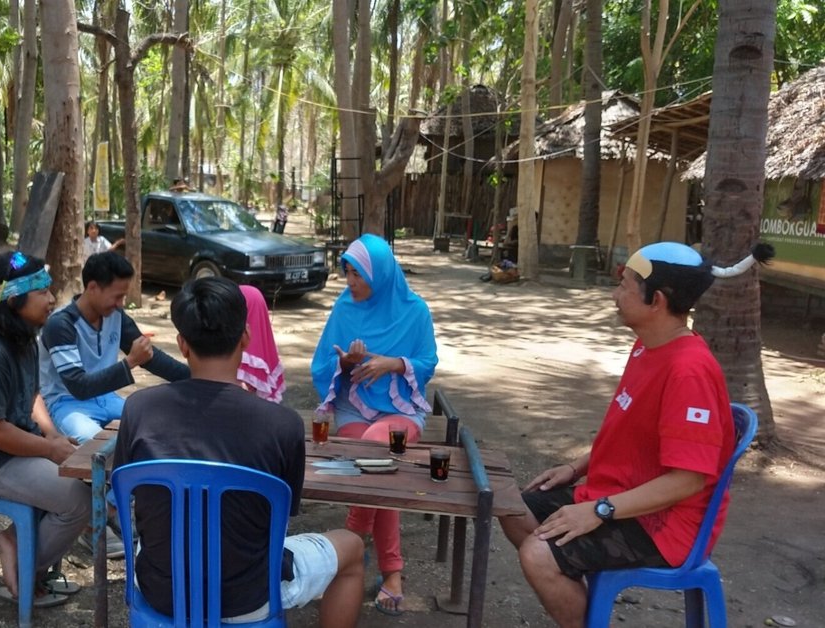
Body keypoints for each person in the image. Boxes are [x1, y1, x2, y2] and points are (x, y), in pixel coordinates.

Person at [498, 241, 773, 628]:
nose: (615, 294)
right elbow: (632, 434)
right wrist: (576, 468)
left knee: (537, 555)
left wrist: (598, 510)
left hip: (665, 526)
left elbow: (689, 479)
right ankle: (582, 603)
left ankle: (574, 600)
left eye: (625, 285)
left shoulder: (688, 371)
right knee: (513, 508)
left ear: (655, 300)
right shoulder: (648, 345)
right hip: (617, 494)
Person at [115, 277, 365, 627]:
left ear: (182, 344)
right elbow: (284, 514)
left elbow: (123, 493)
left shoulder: (139, 409)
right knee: (351, 547)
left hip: (161, 591)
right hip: (250, 598)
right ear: (245, 337)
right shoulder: (282, 424)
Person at [0, 251, 90, 608]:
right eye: (42, 291)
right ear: (14, 298)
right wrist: (48, 449)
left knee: (86, 474)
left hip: (10, 449)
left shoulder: (23, 337)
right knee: (77, 499)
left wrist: (52, 435)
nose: (52, 299)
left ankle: (17, 541)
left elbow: (33, 394)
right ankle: (26, 566)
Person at [310, 233, 438, 616]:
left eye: (357, 274)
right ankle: (392, 572)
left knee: (371, 452)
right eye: (347, 272)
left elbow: (428, 361)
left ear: (379, 274)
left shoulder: (415, 311)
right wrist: (347, 362)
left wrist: (392, 363)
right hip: (355, 409)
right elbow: (322, 364)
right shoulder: (344, 308)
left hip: (401, 413)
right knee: (377, 468)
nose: (350, 282)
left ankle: (349, 547)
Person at [39, 251, 190, 556]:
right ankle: (94, 523)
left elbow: (150, 358)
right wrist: (129, 363)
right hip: (66, 402)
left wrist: (196, 377)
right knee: (97, 449)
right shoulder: (61, 325)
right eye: (117, 296)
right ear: (92, 287)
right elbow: (78, 386)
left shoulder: (115, 316)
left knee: (155, 435)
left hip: (104, 397)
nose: (121, 303)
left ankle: (107, 511)